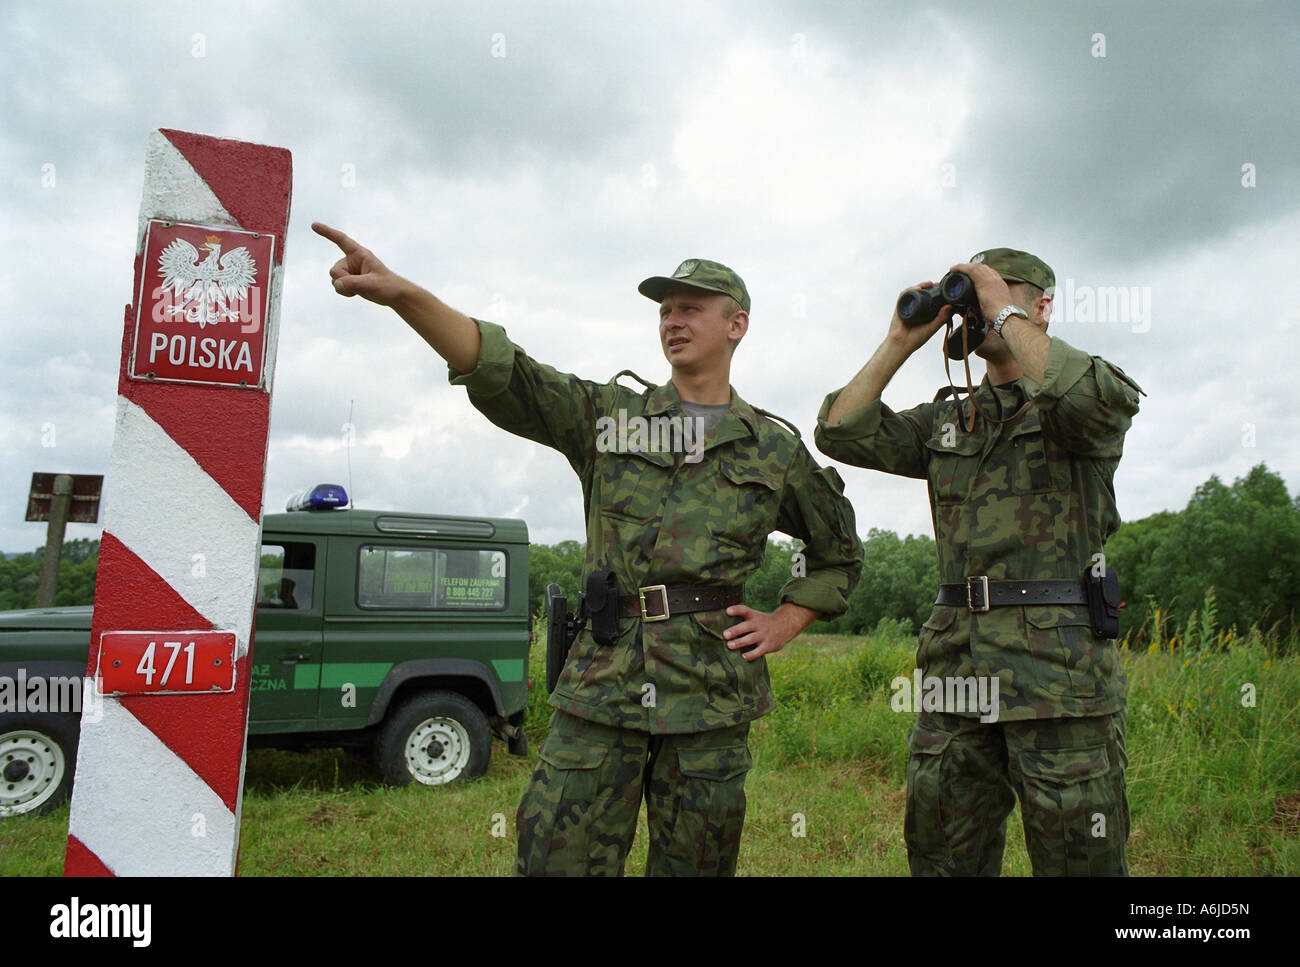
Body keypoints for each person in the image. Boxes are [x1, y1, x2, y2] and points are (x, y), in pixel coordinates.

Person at [313, 223, 862, 876]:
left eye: (690, 308)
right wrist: (403, 294)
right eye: (665, 310)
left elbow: (839, 553)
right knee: (554, 858)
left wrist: (787, 618)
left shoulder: (772, 450)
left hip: (712, 696)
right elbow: (507, 374)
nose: (672, 320)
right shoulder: (610, 417)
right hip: (603, 683)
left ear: (736, 323)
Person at [814, 248, 1142, 876]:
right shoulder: (948, 420)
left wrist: (1002, 310)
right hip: (955, 668)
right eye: (969, 295)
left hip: (1059, 677)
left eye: (993, 291)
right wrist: (899, 340)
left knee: (1080, 857)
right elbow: (841, 429)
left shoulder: (1078, 405)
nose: (975, 305)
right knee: (941, 853)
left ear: (1042, 307)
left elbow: (1097, 404)